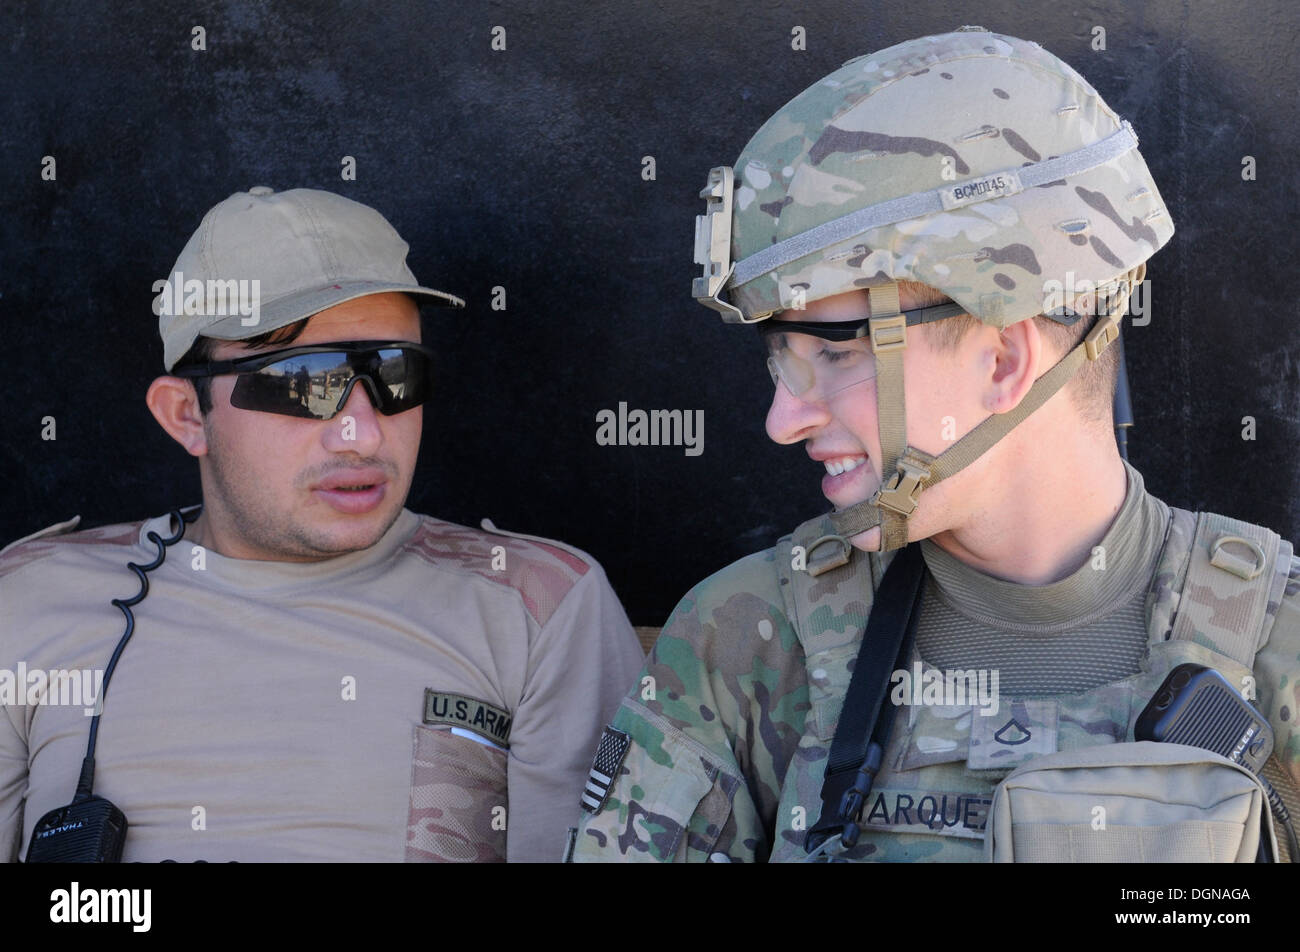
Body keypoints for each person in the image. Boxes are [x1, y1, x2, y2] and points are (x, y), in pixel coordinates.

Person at [568, 27, 1300, 862]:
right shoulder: (753, 644)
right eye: (782, 359)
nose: (781, 421)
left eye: (836, 353)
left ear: (1002, 358)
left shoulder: (1278, 651)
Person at [0, 186, 645, 862]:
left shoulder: (536, 609)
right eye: (305, 381)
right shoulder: (29, 602)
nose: (361, 433)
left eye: (396, 374)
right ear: (186, 415)